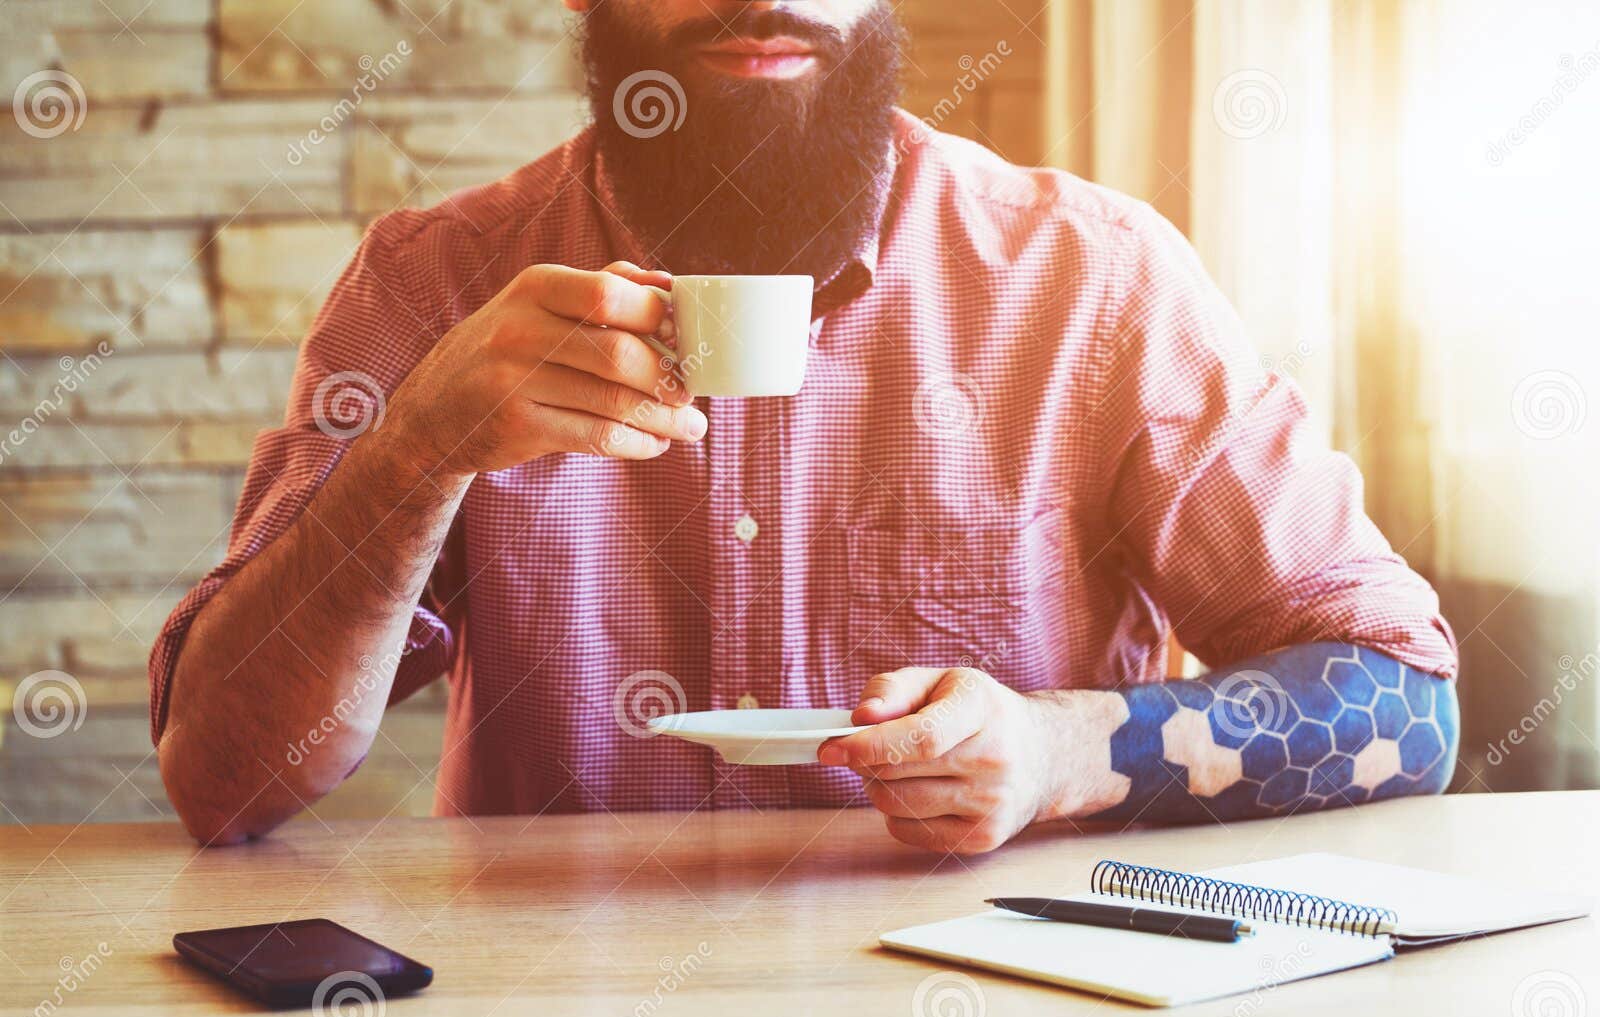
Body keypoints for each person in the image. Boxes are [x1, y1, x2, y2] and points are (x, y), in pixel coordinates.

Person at [151, 0, 1459, 850]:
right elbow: (222, 775)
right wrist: (418, 447)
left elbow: (1406, 706)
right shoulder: (434, 283)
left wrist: (1063, 750)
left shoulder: (1093, 281)